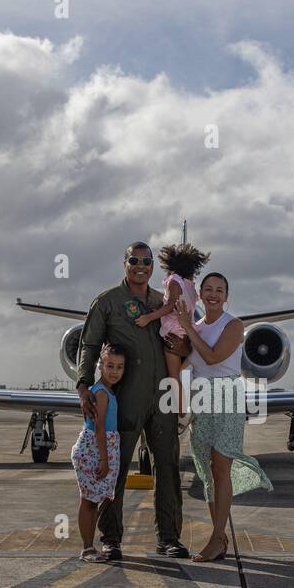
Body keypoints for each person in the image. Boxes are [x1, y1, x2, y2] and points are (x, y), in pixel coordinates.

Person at [76, 241, 191, 560]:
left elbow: (185, 340)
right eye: (134, 260)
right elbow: (89, 344)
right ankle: (110, 538)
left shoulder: (163, 300)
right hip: (124, 399)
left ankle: (169, 537)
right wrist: (84, 384)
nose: (141, 265)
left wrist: (185, 352)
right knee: (115, 469)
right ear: (125, 263)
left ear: (153, 266)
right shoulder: (108, 302)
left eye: (147, 261)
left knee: (168, 466)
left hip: (163, 398)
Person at [175, 272, 273, 562]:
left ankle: (216, 539)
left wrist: (188, 331)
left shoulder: (234, 325)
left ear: (226, 296)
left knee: (221, 466)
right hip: (201, 398)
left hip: (227, 396)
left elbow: (214, 357)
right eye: (208, 289)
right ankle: (219, 537)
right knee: (207, 472)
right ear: (200, 295)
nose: (213, 294)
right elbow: (183, 363)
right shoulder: (196, 326)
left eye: (219, 290)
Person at [133, 242, 211, 431]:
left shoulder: (174, 281)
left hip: (173, 333)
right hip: (188, 333)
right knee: (182, 371)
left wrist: (148, 317)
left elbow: (171, 307)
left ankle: (183, 414)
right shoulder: (190, 286)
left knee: (174, 377)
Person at [71, 343, 124, 562]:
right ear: (100, 365)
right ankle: (86, 548)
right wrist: (104, 458)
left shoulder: (106, 391)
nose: (114, 371)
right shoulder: (101, 393)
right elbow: (99, 428)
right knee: (89, 501)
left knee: (92, 500)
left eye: (120, 367)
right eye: (109, 365)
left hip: (98, 448)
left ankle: (90, 547)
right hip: (94, 450)